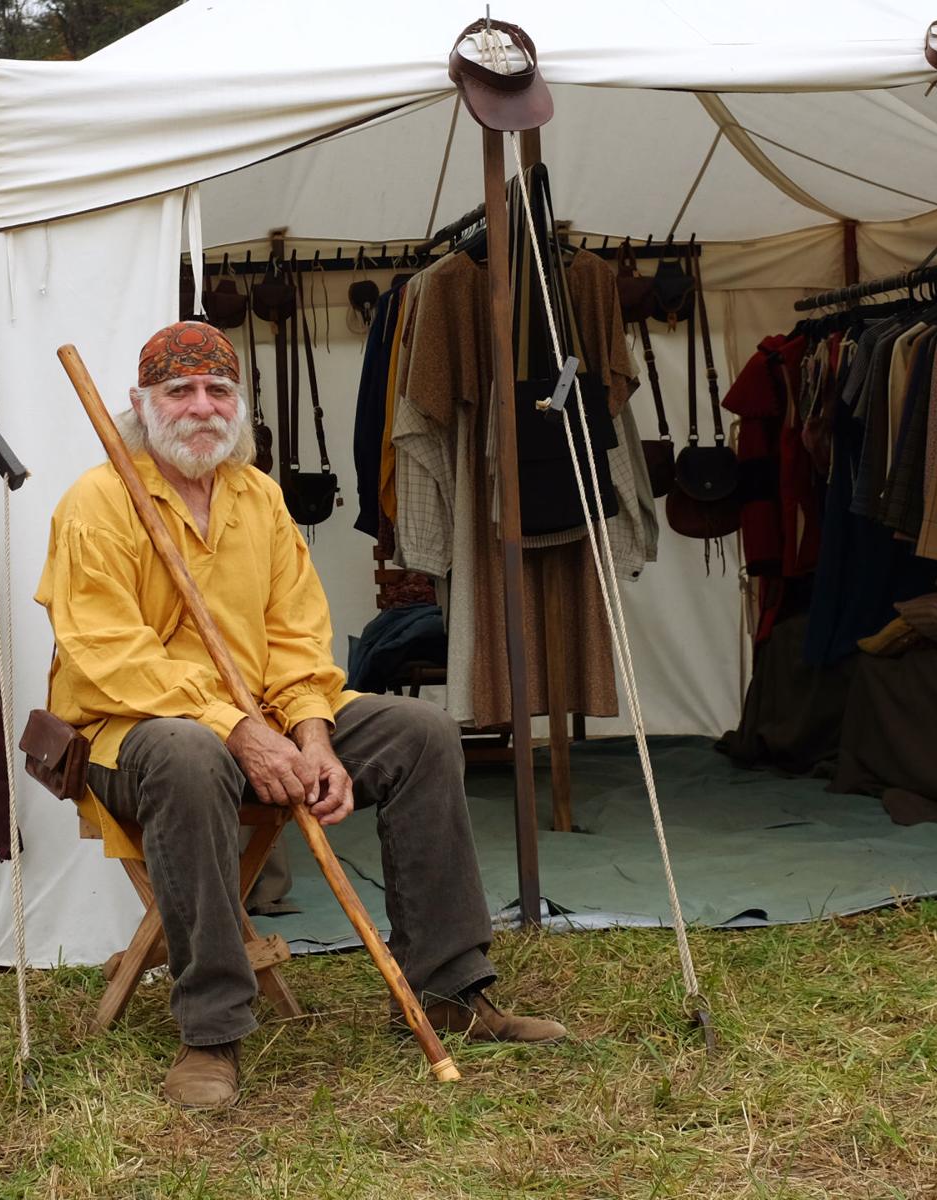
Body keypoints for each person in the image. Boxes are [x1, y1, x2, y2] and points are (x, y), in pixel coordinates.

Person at [36, 320, 566, 1109]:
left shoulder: (258, 499)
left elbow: (296, 639)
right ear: (141, 406)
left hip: (263, 717)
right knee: (188, 753)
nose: (202, 406)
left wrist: (312, 736)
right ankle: (211, 1031)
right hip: (133, 734)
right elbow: (109, 654)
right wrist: (237, 728)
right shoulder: (99, 502)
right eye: (179, 391)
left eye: (218, 390)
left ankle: (448, 989)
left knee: (419, 733)